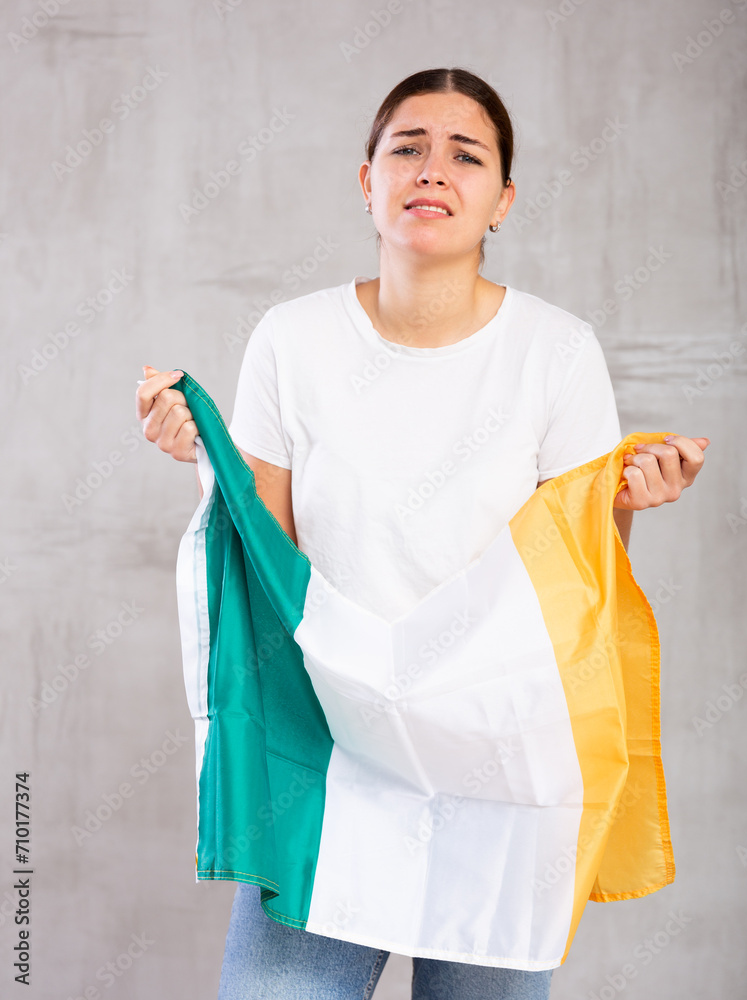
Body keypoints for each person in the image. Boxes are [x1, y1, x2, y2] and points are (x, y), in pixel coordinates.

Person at [136, 67, 708, 1000]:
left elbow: (574, 583)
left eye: (464, 154)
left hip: (497, 768)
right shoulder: (293, 338)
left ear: (501, 201)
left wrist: (628, 500)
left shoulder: (556, 352)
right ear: (367, 181)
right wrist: (204, 459)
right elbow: (272, 565)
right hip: (334, 756)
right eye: (406, 148)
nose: (431, 170)